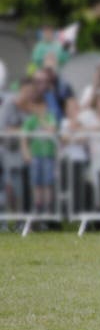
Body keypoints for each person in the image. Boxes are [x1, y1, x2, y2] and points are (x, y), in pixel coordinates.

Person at [0, 80, 33, 226]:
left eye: (31, 92)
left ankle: (21, 222)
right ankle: (3, 223)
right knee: (5, 190)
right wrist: (23, 130)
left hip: (23, 155)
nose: (28, 94)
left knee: (20, 191)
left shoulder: (31, 109)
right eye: (26, 91)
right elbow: (3, 129)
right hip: (6, 153)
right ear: (20, 90)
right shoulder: (9, 105)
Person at [21, 90, 57, 215]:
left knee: (47, 182)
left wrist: (41, 119)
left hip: (48, 155)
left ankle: (48, 208)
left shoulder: (50, 117)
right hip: (35, 155)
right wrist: (26, 152)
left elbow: (52, 130)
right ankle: (38, 206)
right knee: (36, 183)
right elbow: (24, 137)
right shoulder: (30, 120)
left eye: (39, 106)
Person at [59, 98, 89, 214]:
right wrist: (75, 136)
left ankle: (78, 211)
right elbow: (64, 138)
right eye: (70, 107)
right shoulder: (64, 122)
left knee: (78, 186)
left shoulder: (83, 123)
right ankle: (66, 211)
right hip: (67, 159)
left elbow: (84, 138)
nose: (73, 110)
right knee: (67, 185)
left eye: (75, 107)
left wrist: (72, 136)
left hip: (79, 159)